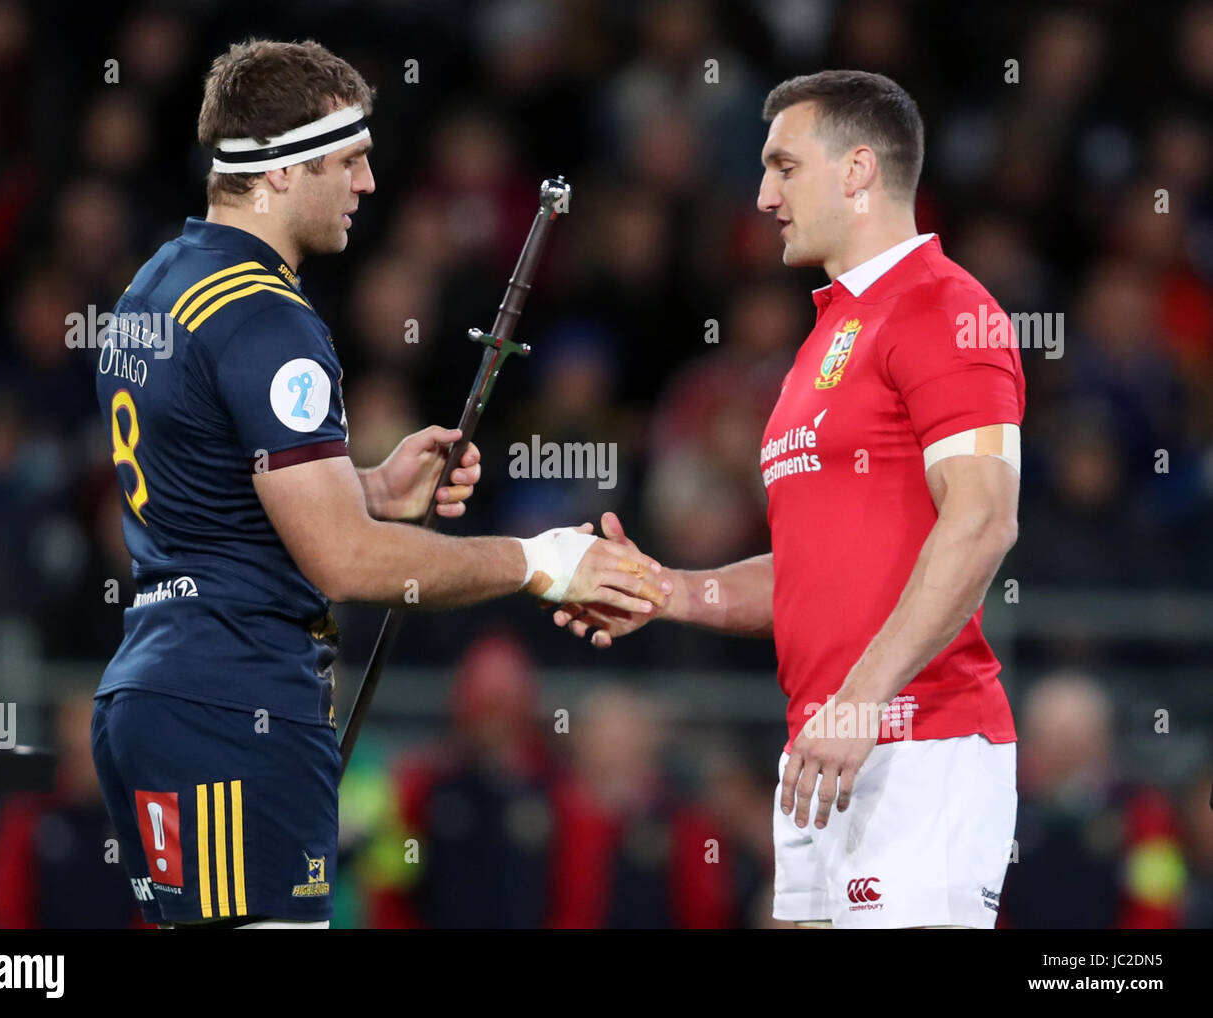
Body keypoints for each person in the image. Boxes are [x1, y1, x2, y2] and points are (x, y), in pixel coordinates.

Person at [90, 39, 669, 931]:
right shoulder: (269, 319)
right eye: (351, 159)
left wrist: (365, 485)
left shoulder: (150, 290)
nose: (368, 183)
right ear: (284, 168)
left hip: (158, 695)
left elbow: (214, 489)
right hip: (237, 703)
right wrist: (539, 561)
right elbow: (347, 562)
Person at [554, 70, 1023, 929]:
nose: (764, 194)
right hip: (821, 753)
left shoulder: (951, 311)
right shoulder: (823, 342)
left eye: (782, 166)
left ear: (855, 171)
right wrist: (662, 591)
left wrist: (862, 697)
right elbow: (814, 569)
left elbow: (985, 518)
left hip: (919, 746)